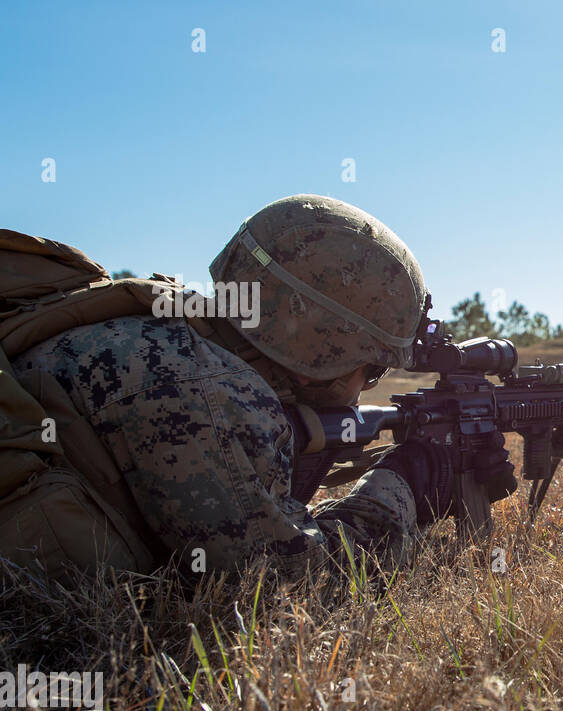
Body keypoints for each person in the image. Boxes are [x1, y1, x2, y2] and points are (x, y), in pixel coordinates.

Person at [6, 194, 515, 577]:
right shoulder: (212, 392)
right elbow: (282, 589)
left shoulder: (153, 329)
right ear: (319, 352)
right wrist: (404, 486)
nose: (365, 388)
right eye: (372, 369)